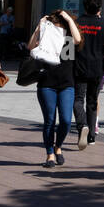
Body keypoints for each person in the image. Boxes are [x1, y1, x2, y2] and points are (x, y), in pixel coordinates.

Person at [29, 9, 83, 167]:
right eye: (53, 24)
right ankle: (50, 154)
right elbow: (31, 46)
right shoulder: (46, 37)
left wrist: (68, 18)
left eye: (59, 24)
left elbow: (78, 39)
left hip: (67, 84)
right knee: (50, 121)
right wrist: (39, 27)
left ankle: (58, 146)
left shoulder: (68, 39)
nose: (56, 27)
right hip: (47, 84)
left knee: (66, 121)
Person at [74, 0, 104, 149]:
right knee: (92, 102)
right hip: (97, 69)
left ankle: (81, 126)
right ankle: (91, 136)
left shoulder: (77, 23)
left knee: (78, 100)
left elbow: (68, 47)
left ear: (84, 6)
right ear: (99, 7)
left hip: (79, 67)